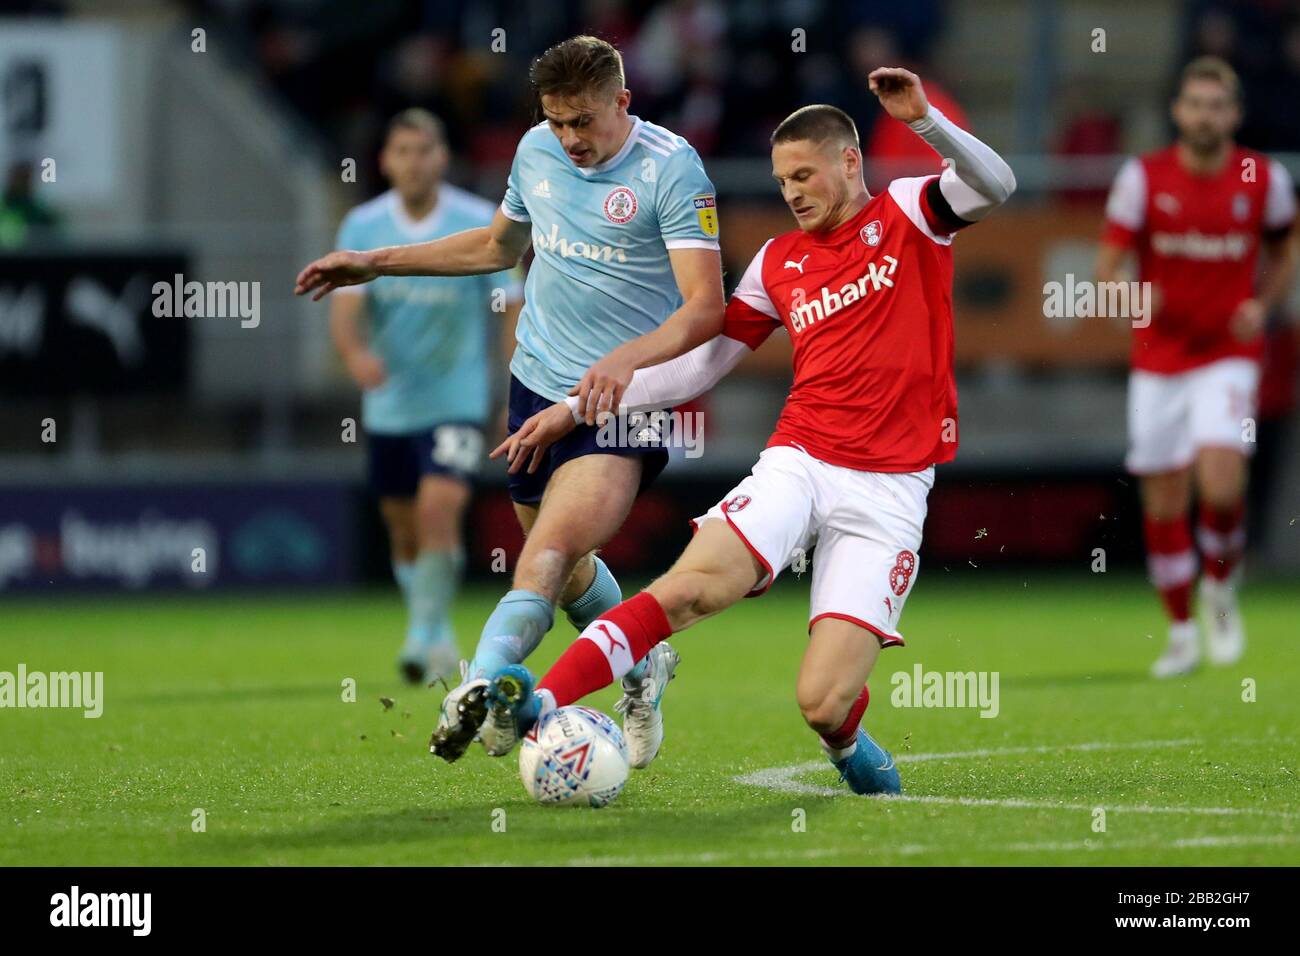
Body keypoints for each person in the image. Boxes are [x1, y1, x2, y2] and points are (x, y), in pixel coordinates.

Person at [491, 67, 1016, 796]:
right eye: (781, 180)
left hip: (891, 487)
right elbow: (700, 368)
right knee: (688, 591)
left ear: (849, 162)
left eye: (805, 174)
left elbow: (996, 186)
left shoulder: (910, 213)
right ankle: (542, 703)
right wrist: (579, 408)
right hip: (798, 460)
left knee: (822, 702)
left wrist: (926, 121)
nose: (793, 192)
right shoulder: (779, 261)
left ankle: (846, 739)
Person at [296, 36, 726, 764]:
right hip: (535, 386)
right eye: (557, 122)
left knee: (550, 549)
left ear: (623, 102)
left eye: (584, 122)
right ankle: (644, 661)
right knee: (567, 569)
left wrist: (624, 362)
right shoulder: (536, 152)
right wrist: (375, 262)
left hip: (624, 402)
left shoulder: (673, 170)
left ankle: (483, 684)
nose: (570, 139)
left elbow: (704, 308)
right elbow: (497, 248)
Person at [1096, 56, 1296, 678]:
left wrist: (1262, 306)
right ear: (1178, 111)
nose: (1205, 115)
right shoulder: (1143, 177)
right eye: (1195, 103)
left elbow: (1287, 242)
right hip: (1159, 359)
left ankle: (1220, 588)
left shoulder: (1263, 178)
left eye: (1218, 105)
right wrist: (1135, 296)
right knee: (1163, 499)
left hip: (1228, 358)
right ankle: (1182, 631)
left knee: (1222, 480)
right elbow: (1106, 270)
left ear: (1233, 114)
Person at [330, 109, 522, 683]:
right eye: (403, 150)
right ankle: (434, 630)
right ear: (386, 161)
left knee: (440, 509)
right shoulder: (363, 226)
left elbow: (508, 302)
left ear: (442, 157)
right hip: (392, 404)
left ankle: (421, 635)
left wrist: (514, 382)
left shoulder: (474, 222)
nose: (415, 162)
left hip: (456, 400)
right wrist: (356, 356)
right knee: (403, 524)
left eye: (425, 149)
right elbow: (346, 308)